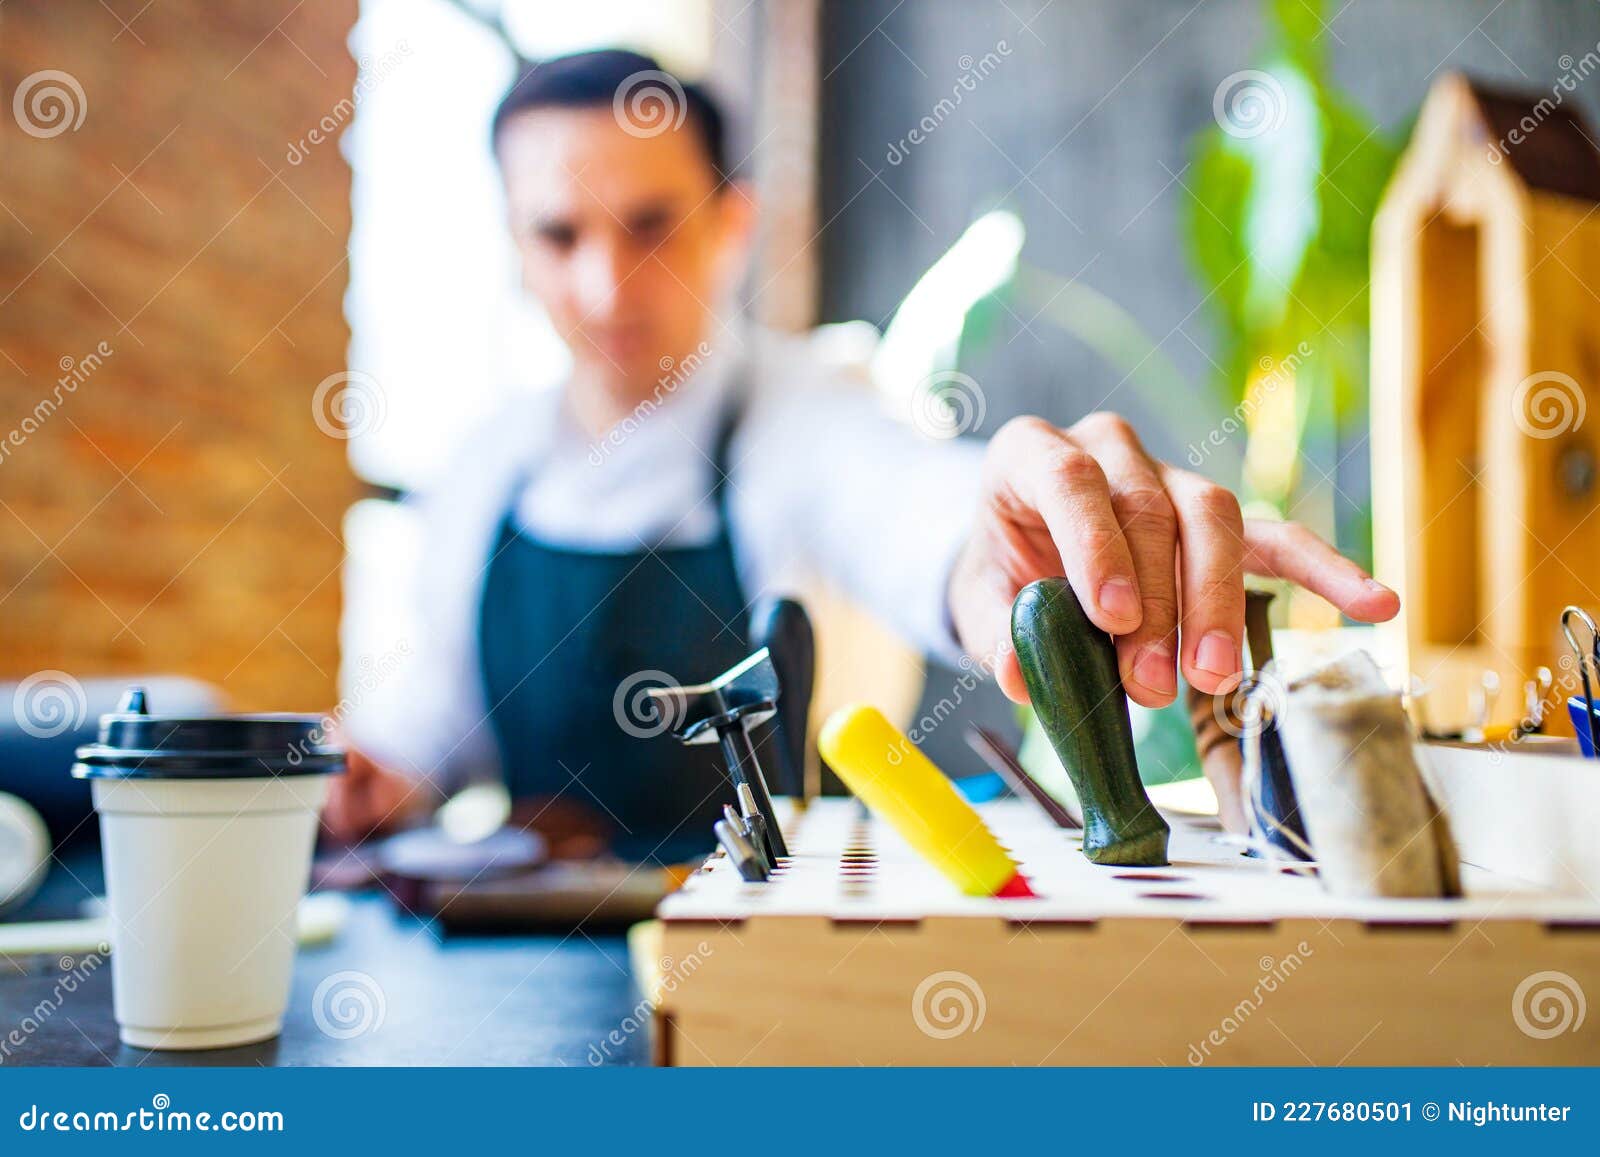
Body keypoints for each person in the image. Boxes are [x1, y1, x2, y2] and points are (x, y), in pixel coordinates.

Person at [326, 49, 1398, 860]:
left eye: (650, 223)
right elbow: (444, 722)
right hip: (520, 989)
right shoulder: (484, 466)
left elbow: (912, 508)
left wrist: (993, 555)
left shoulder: (806, 415)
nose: (606, 286)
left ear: (730, 222)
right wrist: (375, 773)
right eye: (560, 235)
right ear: (516, 244)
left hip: (760, 977)